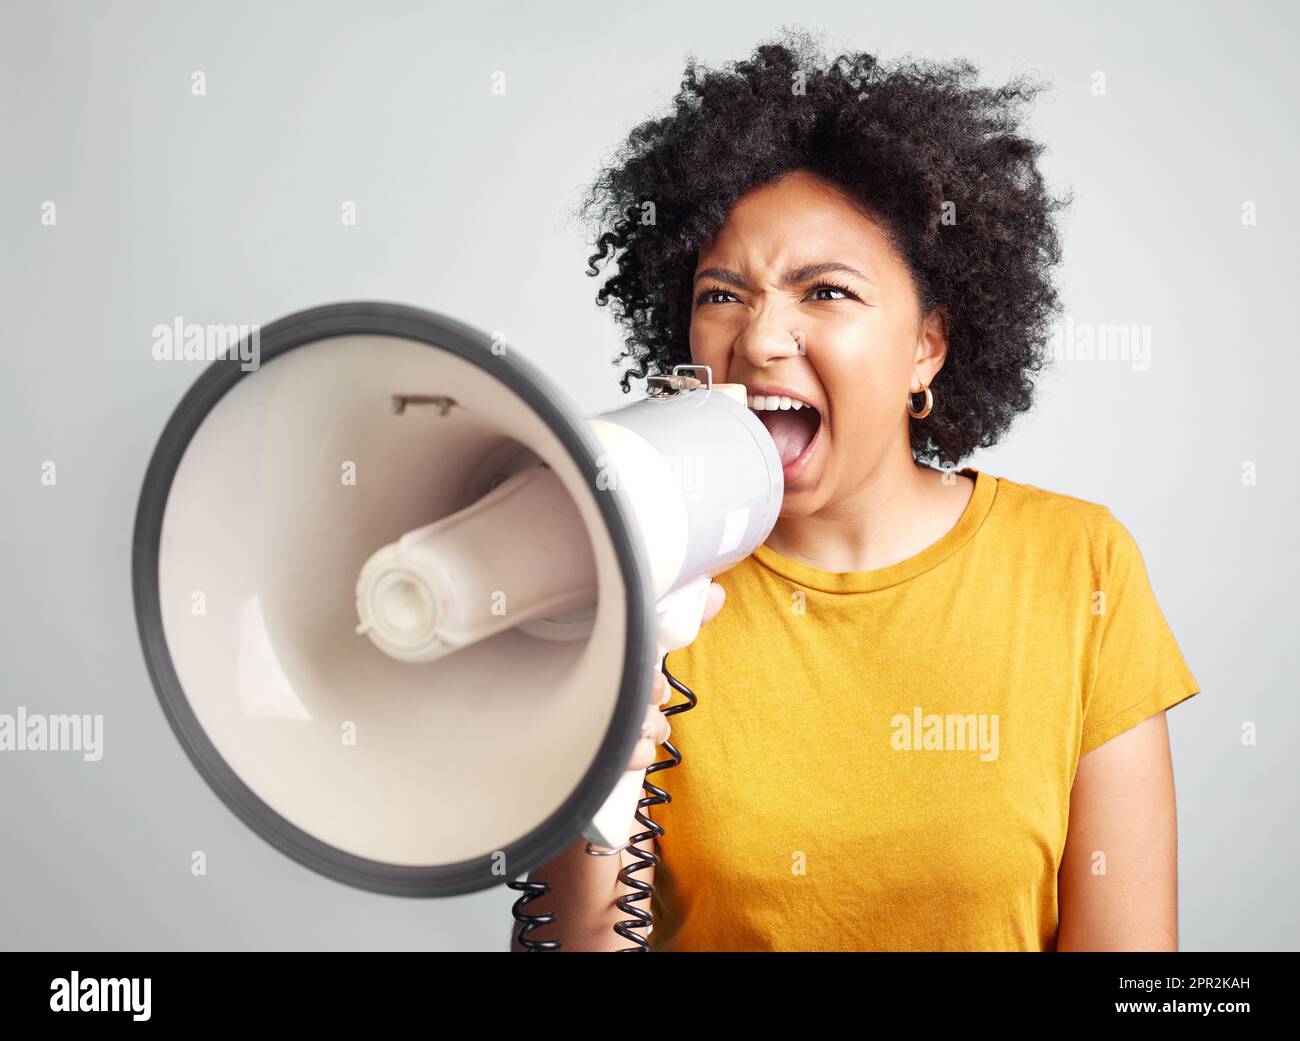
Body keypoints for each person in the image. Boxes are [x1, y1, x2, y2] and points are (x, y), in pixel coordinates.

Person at [510, 30, 1199, 952]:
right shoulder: (628, 573)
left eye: (825, 292)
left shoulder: (1077, 565)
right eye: (722, 294)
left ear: (928, 347)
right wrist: (593, 761)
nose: (759, 341)